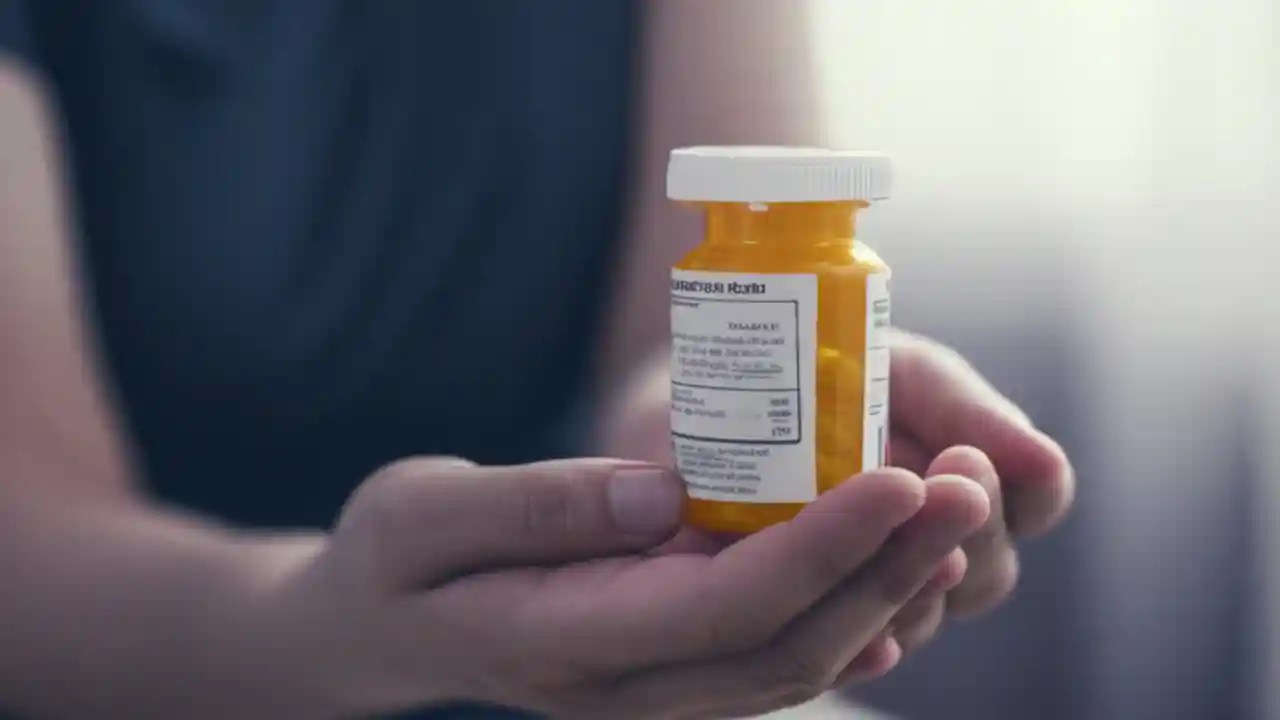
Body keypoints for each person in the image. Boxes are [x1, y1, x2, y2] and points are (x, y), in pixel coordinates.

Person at [0, 2, 1075, 718]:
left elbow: (672, 334)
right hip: (172, 669)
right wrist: (323, 622)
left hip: (628, 636)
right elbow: (25, 546)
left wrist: (688, 441)